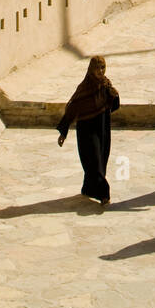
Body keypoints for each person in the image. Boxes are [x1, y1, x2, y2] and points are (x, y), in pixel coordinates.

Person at [57, 55, 120, 206]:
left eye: (103, 67)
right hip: (87, 131)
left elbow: (113, 107)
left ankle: (89, 189)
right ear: (91, 69)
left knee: (100, 159)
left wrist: (115, 96)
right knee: (94, 161)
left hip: (102, 129)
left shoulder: (106, 84)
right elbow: (72, 109)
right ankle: (104, 193)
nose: (100, 71)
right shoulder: (84, 88)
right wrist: (63, 132)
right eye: (97, 68)